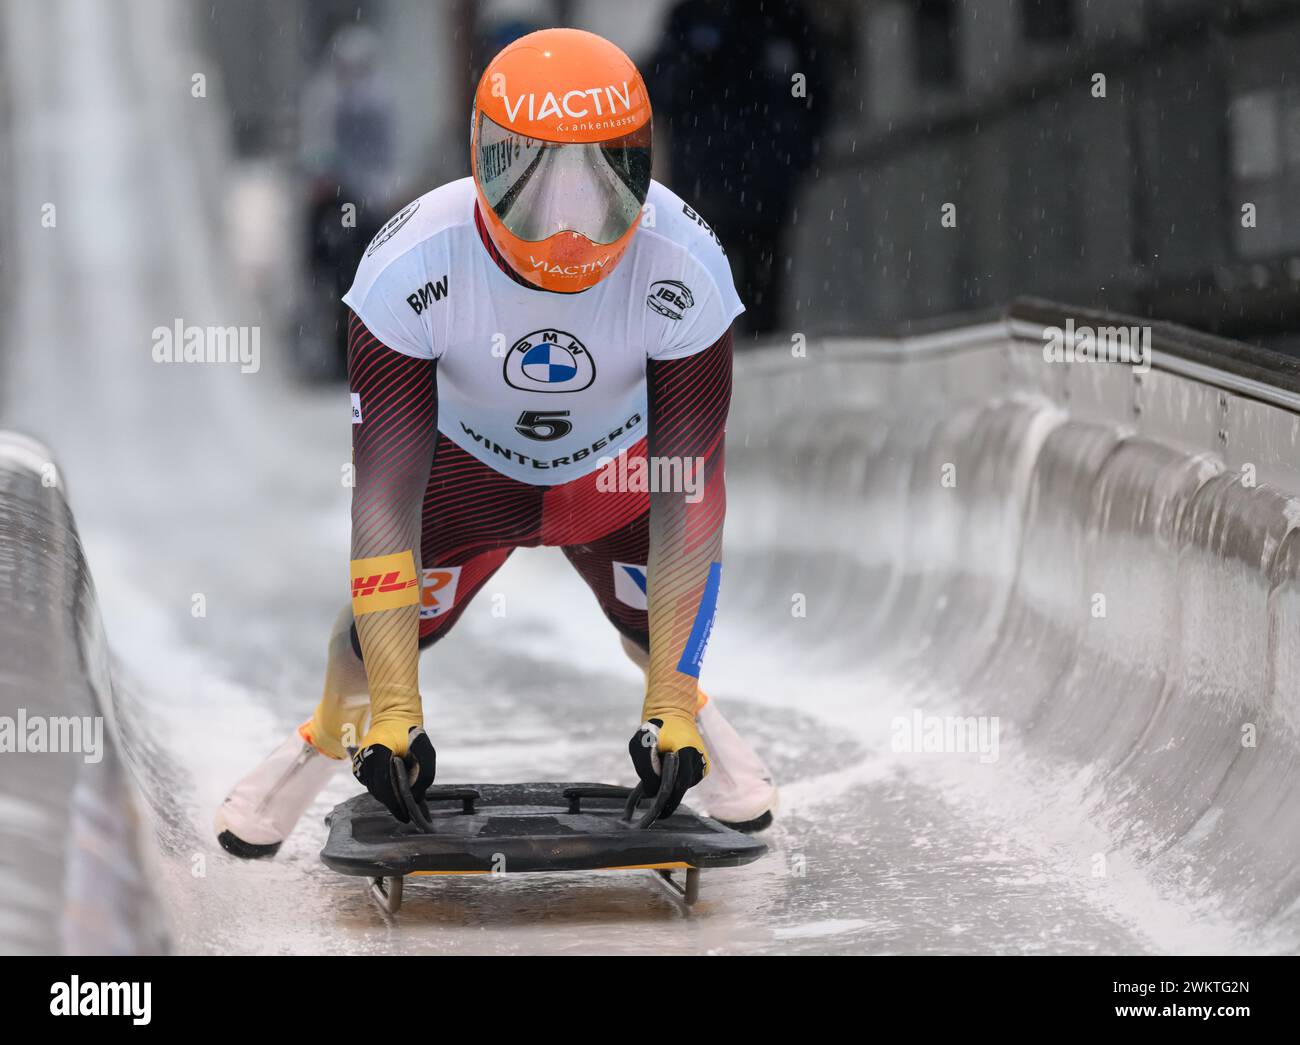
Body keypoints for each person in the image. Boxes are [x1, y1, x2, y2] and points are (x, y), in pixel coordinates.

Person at [216, 27, 777, 858]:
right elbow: (385, 500)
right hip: (466, 480)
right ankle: (330, 732)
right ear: (482, 161)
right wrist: (398, 709)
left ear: (642, 168)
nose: (568, 229)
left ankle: (691, 715)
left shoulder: (685, 264)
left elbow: (688, 493)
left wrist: (670, 695)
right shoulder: (409, 264)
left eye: (601, 183)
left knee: (652, 618)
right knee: (382, 641)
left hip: (610, 479)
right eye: (537, 182)